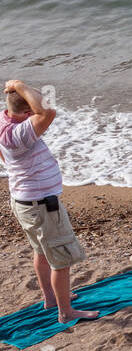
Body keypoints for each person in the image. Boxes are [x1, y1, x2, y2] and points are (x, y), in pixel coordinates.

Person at [1, 79, 97, 323]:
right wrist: (20, 85)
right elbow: (49, 112)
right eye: (33, 108)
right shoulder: (20, 133)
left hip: (25, 202)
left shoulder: (4, 122)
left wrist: (19, 91)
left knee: (41, 252)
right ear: (27, 112)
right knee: (60, 259)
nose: (38, 109)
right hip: (41, 205)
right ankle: (65, 312)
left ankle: (50, 299)